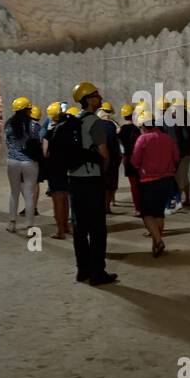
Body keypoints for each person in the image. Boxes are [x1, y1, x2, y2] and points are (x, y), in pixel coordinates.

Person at [67, 82, 117, 286]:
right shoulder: (95, 123)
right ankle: (97, 273)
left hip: (74, 179)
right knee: (97, 228)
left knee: (79, 227)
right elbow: (104, 154)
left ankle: (82, 270)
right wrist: (103, 174)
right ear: (88, 99)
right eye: (96, 95)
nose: (100, 97)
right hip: (91, 180)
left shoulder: (73, 121)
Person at [130, 115, 180, 258]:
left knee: (146, 213)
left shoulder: (143, 139)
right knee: (158, 213)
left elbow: (135, 161)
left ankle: (158, 241)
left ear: (143, 126)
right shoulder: (167, 138)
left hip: (149, 181)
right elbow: (176, 157)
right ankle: (155, 246)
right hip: (167, 180)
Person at [2, 96, 42, 233]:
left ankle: (12, 223)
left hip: (12, 161)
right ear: (27, 110)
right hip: (29, 162)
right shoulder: (34, 125)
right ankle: (30, 226)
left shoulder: (8, 124)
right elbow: (40, 142)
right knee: (29, 194)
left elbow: (7, 142)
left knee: (14, 193)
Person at [42, 102, 70, 239]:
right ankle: (66, 226)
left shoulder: (50, 132)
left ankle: (60, 231)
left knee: (57, 200)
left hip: (55, 168)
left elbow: (45, 153)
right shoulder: (69, 130)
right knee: (65, 198)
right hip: (68, 167)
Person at [117, 103, 142, 217]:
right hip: (138, 158)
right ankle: (142, 207)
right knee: (140, 184)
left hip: (127, 158)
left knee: (133, 185)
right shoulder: (137, 129)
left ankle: (138, 208)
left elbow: (120, 145)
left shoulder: (121, 130)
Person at [171, 98, 190, 210]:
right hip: (189, 152)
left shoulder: (179, 119)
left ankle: (178, 201)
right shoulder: (188, 118)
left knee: (179, 178)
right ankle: (187, 199)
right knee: (184, 176)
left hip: (182, 153)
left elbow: (181, 138)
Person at [98, 101, 122, 212]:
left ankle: (101, 205)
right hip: (112, 157)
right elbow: (115, 144)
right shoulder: (112, 125)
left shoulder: (95, 123)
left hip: (99, 158)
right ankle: (107, 206)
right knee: (110, 184)